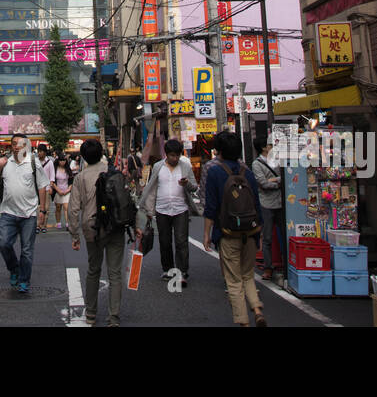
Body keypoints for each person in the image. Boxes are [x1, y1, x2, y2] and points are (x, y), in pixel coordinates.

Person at [203, 130, 266, 327]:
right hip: (250, 230)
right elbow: (256, 203)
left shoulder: (214, 172)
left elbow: (211, 208)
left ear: (218, 151)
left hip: (228, 232)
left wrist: (207, 234)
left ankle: (243, 322)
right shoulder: (247, 171)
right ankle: (256, 309)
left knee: (233, 279)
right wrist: (260, 232)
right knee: (247, 274)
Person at [68, 139, 126, 326]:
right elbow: (126, 200)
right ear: (102, 152)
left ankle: (91, 314)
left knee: (94, 270)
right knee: (115, 272)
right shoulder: (114, 172)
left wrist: (74, 235)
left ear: (83, 157)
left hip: (92, 228)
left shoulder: (81, 177)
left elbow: (74, 208)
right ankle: (114, 316)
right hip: (115, 226)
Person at [0, 134, 50, 294]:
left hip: (29, 213)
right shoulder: (7, 162)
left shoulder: (33, 162)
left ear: (26, 146)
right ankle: (14, 268)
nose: (15, 146)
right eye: (13, 143)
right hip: (8, 212)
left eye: (19, 144)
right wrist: (0, 165)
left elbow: (42, 186)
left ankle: (24, 280)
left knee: (27, 249)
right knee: (3, 243)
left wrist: (42, 210)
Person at [138, 137, 198, 284]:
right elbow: (152, 189)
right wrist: (149, 210)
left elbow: (194, 187)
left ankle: (182, 272)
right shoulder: (158, 167)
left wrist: (187, 184)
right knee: (165, 241)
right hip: (162, 209)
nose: (175, 158)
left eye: (177, 155)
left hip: (180, 209)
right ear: (166, 154)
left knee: (181, 241)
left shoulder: (185, 166)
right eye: (172, 155)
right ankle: (168, 269)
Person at [252, 139, 286, 280]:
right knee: (267, 237)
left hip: (280, 202)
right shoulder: (256, 164)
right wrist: (278, 182)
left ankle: (286, 265)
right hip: (266, 203)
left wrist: (274, 180)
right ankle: (268, 267)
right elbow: (263, 183)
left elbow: (285, 176)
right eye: (269, 145)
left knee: (284, 234)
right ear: (263, 147)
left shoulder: (277, 160)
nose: (272, 147)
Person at [51, 149, 73, 229]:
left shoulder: (68, 170)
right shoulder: (55, 169)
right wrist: (58, 190)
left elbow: (71, 181)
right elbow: (52, 181)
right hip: (57, 191)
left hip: (67, 190)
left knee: (66, 207)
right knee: (58, 207)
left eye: (64, 160)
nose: (62, 162)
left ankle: (67, 223)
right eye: (61, 160)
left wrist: (68, 190)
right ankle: (58, 222)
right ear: (58, 161)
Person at [35, 144, 55, 233]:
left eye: (41, 151)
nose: (39, 153)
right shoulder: (35, 162)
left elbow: (52, 176)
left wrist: (51, 186)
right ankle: (38, 225)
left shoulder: (49, 162)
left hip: (46, 187)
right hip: (37, 188)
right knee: (37, 207)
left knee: (46, 208)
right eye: (38, 151)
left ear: (45, 152)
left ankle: (44, 225)